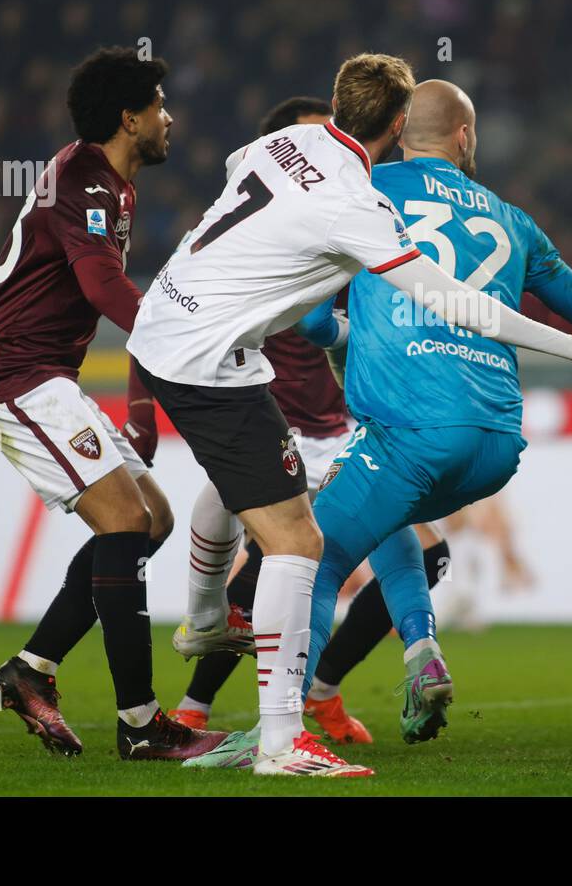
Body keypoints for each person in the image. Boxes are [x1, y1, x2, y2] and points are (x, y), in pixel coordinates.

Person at [128, 55, 572, 777]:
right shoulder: (356, 205)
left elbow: (242, 168)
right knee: (300, 545)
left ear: (335, 103)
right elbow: (461, 303)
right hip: (208, 360)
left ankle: (209, 625)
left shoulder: (283, 145)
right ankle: (278, 740)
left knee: (255, 507)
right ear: (399, 126)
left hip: (173, 325)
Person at [0, 47, 226, 761]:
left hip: (43, 374)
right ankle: (140, 724)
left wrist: (143, 398)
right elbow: (108, 291)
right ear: (130, 119)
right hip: (9, 373)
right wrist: (183, 352)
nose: (171, 118)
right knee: (127, 517)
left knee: (149, 520)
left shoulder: (105, 181)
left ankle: (30, 670)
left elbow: (113, 295)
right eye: (161, 106)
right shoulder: (84, 180)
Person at [166, 96, 451, 746]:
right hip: (277, 429)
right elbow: (177, 306)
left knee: (424, 555)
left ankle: (319, 688)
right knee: (274, 562)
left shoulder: (347, 224)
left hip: (345, 433)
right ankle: (196, 705)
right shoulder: (261, 231)